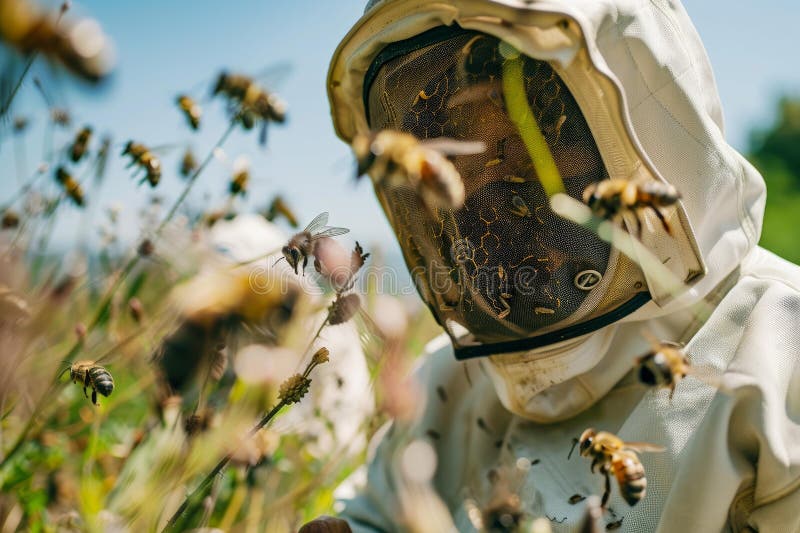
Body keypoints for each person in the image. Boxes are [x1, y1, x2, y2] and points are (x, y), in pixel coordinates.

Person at [306, 0, 800, 530]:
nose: (488, 184)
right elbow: (370, 515)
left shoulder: (778, 348)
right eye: (457, 148)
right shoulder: (447, 383)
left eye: (535, 131)